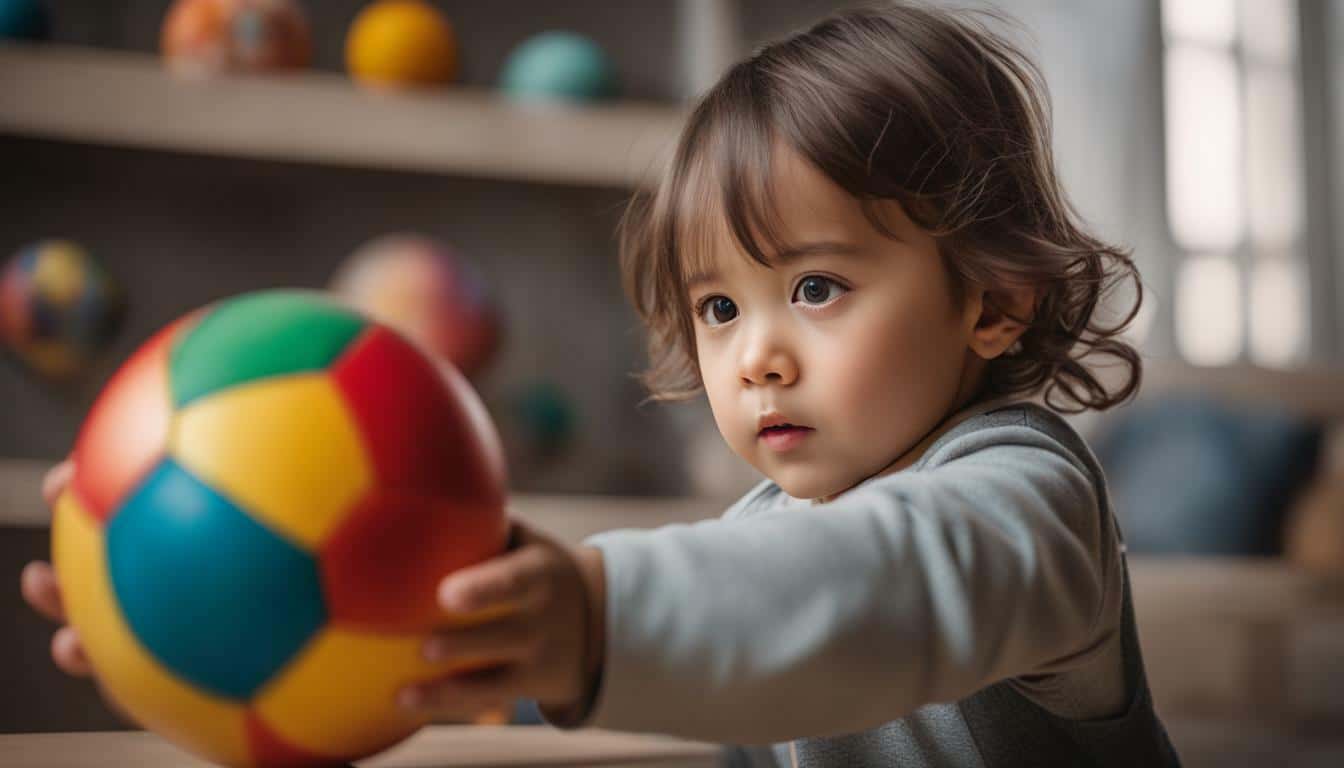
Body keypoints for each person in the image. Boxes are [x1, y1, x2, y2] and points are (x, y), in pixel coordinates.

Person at [22, 3, 1181, 766]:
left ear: (992, 301)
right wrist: (228, 606)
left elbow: (869, 593)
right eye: (718, 308)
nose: (755, 356)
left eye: (817, 287)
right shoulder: (759, 537)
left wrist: (591, 615)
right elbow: (723, 655)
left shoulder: (1030, 503)